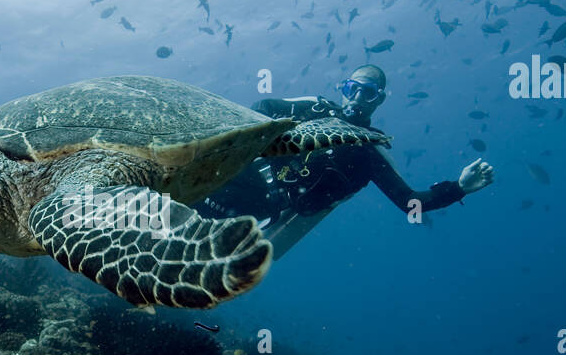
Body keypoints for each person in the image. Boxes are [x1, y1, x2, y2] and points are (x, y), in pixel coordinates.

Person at [196, 65, 494, 259]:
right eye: (353, 89)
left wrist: (459, 188)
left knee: (198, 229)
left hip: (267, 206)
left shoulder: (369, 150)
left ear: (378, 100)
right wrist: (278, 144)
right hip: (243, 175)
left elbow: (410, 202)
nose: (358, 98)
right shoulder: (316, 107)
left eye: (368, 93)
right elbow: (263, 106)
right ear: (343, 88)